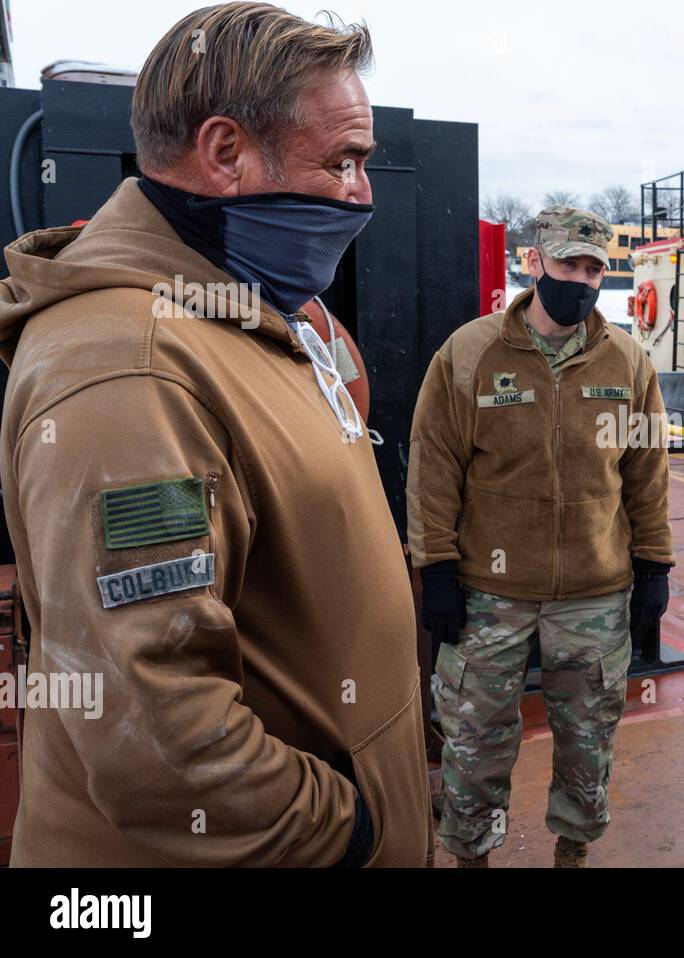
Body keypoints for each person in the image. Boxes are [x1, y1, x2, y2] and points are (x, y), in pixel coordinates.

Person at [0, 2, 431, 866]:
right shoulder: (132, 368)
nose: (362, 192)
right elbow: (159, 743)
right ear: (226, 152)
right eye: (341, 161)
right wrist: (352, 833)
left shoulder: (248, 316)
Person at [407, 205, 674, 867]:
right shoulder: (470, 354)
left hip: (595, 595)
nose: (581, 281)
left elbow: (647, 472)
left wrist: (655, 566)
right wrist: (435, 568)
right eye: (568, 265)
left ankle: (572, 855)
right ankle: (471, 857)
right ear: (535, 263)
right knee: (473, 748)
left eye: (593, 269)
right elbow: (433, 467)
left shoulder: (627, 362)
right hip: (488, 598)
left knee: (589, 747)